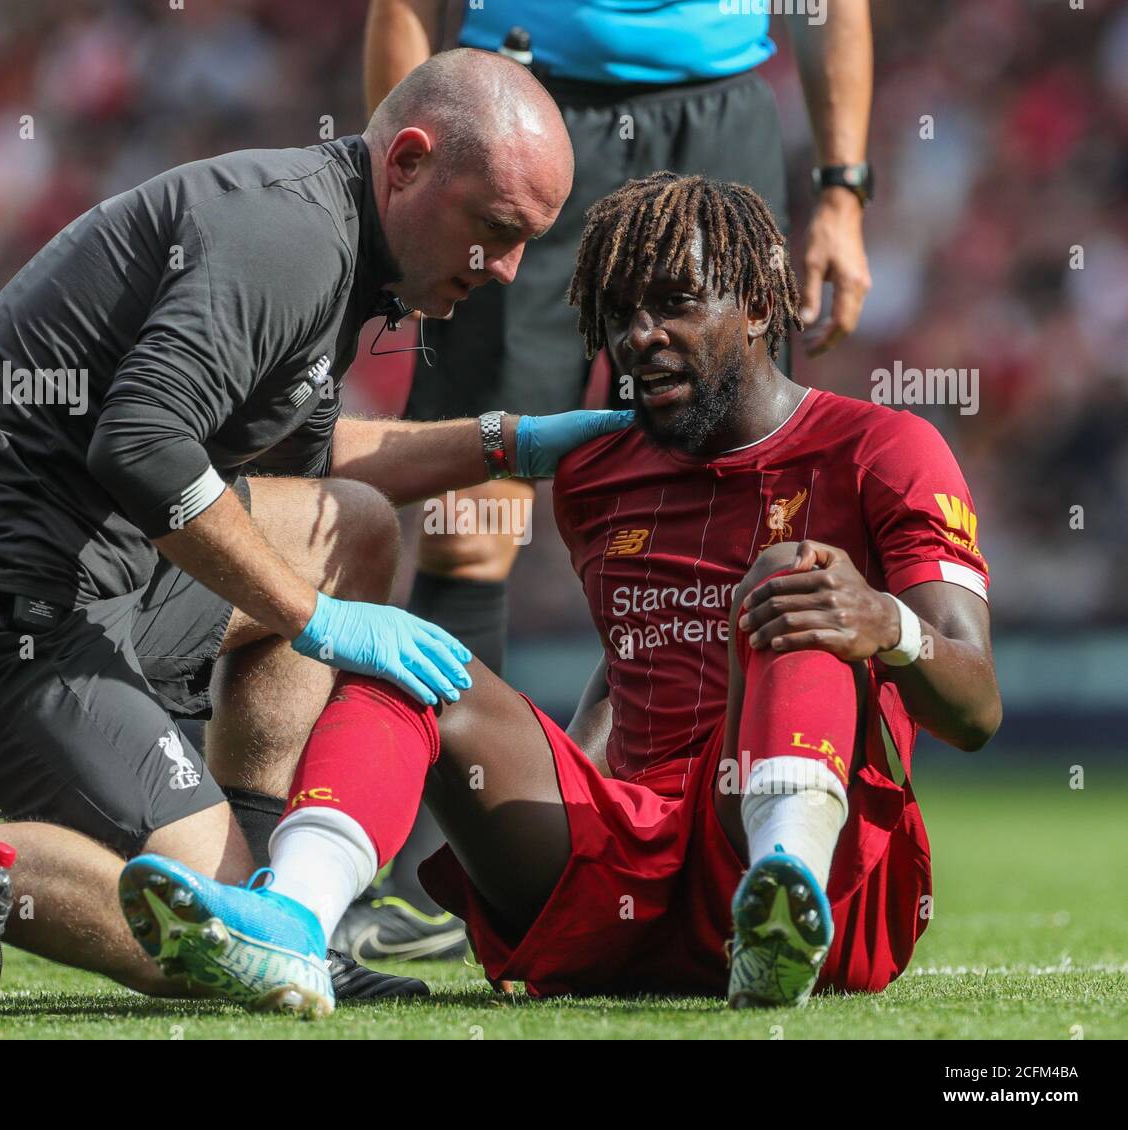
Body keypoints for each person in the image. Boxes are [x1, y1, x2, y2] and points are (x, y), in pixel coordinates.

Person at [117, 174, 1000, 1016]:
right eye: (619, 314)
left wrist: (890, 625)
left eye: (676, 303)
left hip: (829, 885)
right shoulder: (597, 474)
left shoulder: (886, 448)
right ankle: (293, 923)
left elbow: (977, 709)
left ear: (760, 307)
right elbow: (634, 662)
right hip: (630, 877)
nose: (641, 335)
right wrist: (571, 771)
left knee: (792, 589)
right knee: (402, 656)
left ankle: (780, 901)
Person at [0, 49, 625, 1005]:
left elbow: (298, 472)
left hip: (94, 577)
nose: (504, 269)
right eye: (495, 229)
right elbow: (139, 447)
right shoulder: (286, 236)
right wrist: (312, 619)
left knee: (355, 526)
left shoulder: (339, 240)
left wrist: (511, 445)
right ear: (409, 162)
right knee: (225, 944)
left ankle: (264, 865)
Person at [350, 0, 876, 958]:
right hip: (521, 112)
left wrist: (842, 189)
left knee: (740, 493)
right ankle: (436, 874)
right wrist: (393, 219)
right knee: (475, 515)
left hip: (720, 119)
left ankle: (750, 845)